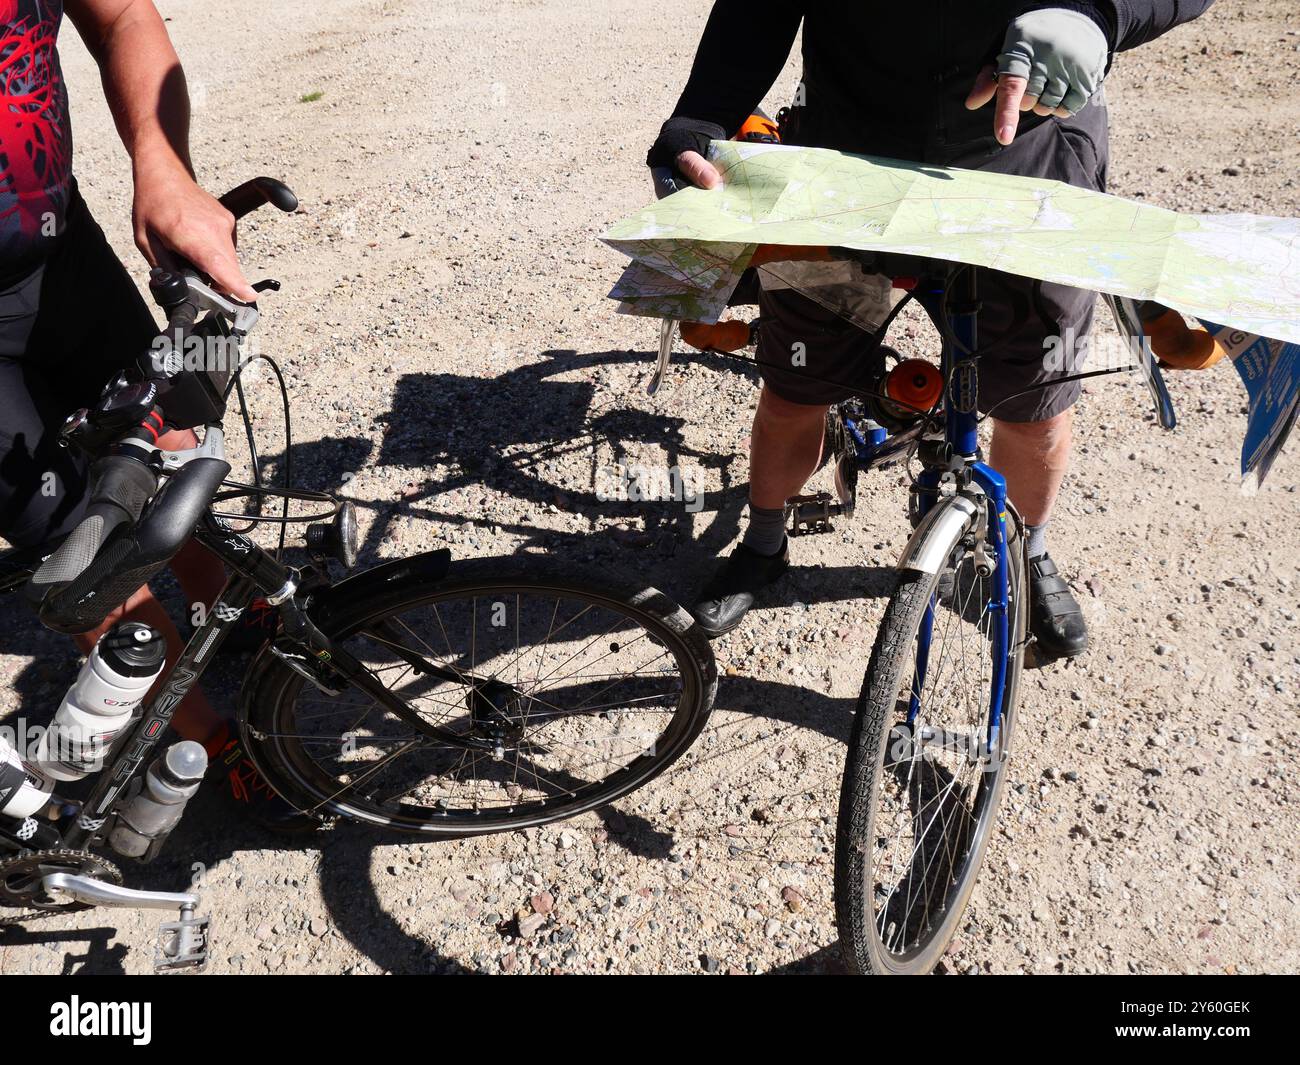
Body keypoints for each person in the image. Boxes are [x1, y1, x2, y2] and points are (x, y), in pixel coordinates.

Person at [647, 1, 1213, 657]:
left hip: (1026, 164)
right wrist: (705, 110)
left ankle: (1027, 553)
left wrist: (1096, 14)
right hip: (847, 162)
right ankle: (765, 542)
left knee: (1032, 409)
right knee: (797, 388)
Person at [0, 0, 295, 825]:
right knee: (79, 554)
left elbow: (122, 12)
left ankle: (231, 607)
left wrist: (162, 164)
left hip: (59, 244)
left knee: (164, 439)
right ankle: (204, 734)